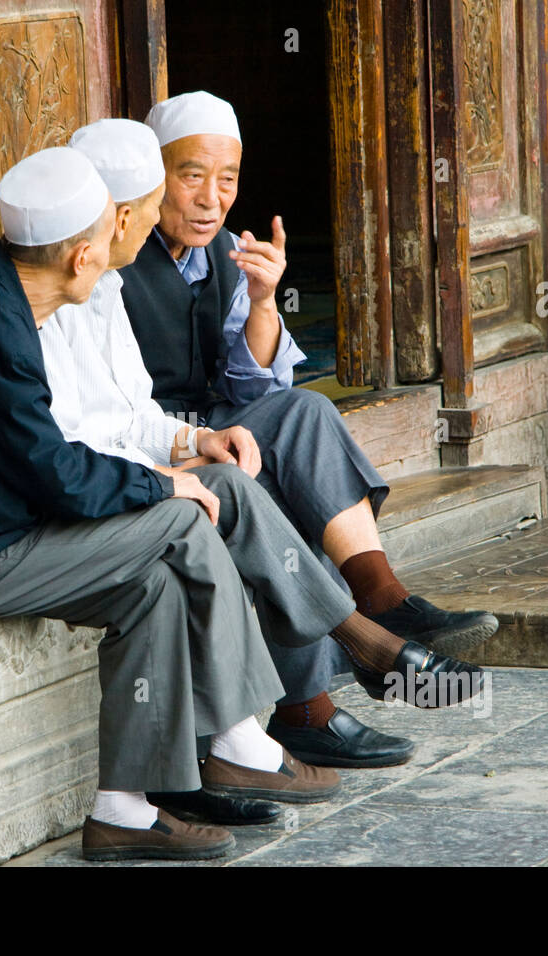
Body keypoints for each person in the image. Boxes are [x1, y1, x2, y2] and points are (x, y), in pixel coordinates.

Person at [0, 147, 473, 862]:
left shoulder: (2, 292)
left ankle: (124, 808)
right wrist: (161, 481)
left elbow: (62, 454)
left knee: (156, 581)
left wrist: (182, 454)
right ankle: (260, 724)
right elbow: (53, 469)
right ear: (84, 257)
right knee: (186, 514)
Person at [112, 91, 498, 759]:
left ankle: (379, 597)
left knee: (306, 413)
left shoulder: (230, 254)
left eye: (227, 179)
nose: (212, 198)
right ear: (154, 179)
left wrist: (263, 303)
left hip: (215, 427)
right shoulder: (115, 255)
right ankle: (309, 709)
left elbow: (253, 386)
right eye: (191, 175)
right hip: (145, 441)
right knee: (273, 493)